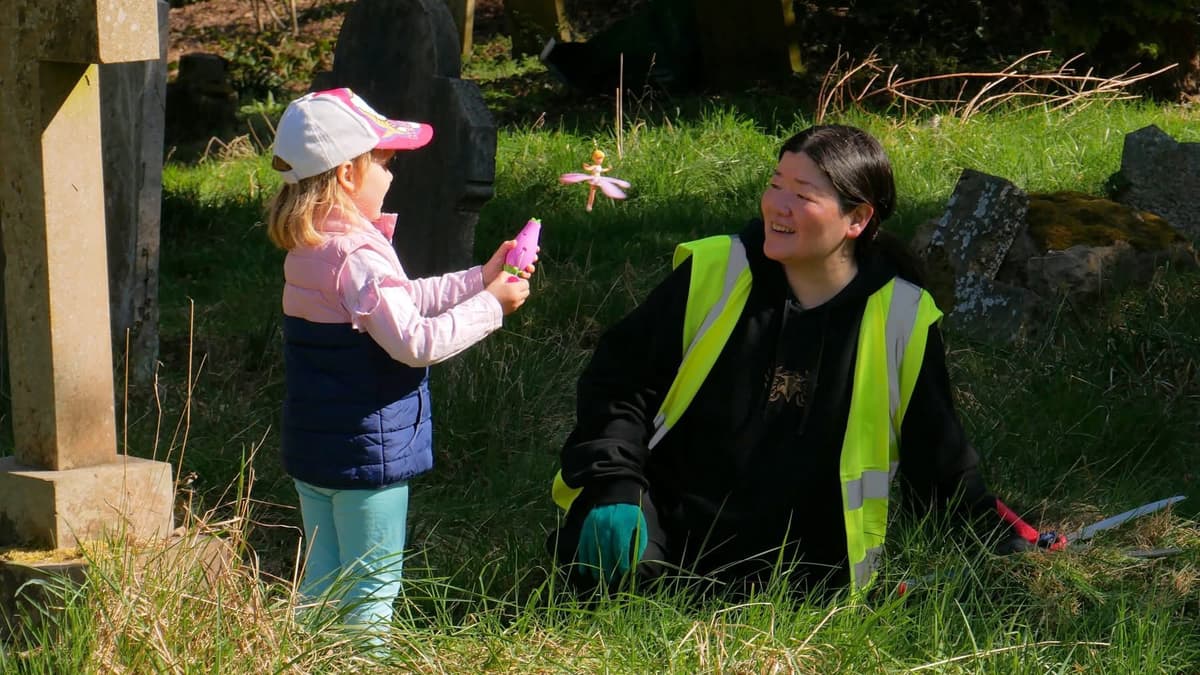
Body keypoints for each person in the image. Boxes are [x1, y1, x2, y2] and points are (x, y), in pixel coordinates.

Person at [549, 124, 1029, 596]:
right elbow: (618, 384)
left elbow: (939, 457)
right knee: (602, 572)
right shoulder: (715, 271)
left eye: (803, 195)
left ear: (857, 219)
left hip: (807, 578)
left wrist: (999, 537)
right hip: (668, 545)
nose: (778, 205)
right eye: (776, 184)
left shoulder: (902, 316)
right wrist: (613, 485)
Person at [265, 88, 534, 638]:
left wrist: (478, 277)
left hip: (317, 450)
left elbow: (400, 300)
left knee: (322, 583)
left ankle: (308, 661)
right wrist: (493, 305)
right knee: (371, 587)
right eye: (385, 162)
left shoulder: (311, 247)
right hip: (369, 457)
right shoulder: (357, 256)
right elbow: (414, 341)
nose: (391, 174)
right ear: (346, 174)